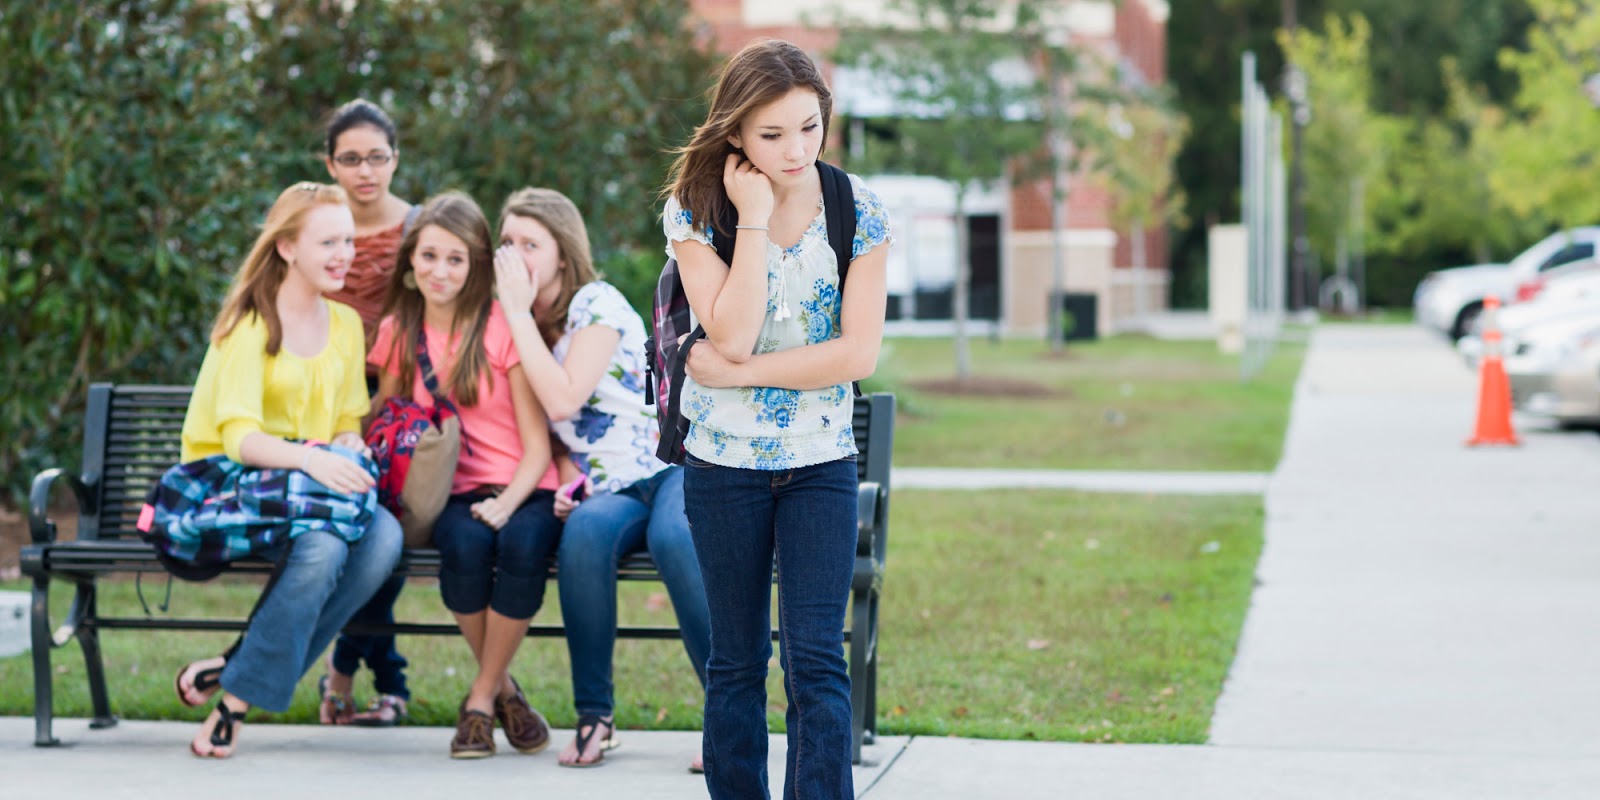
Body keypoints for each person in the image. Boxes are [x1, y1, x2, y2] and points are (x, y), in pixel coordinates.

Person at [660, 39, 892, 799]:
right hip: (722, 466)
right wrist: (754, 219)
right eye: (772, 134)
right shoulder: (696, 208)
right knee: (736, 662)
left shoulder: (858, 210)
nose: (796, 150)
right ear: (734, 132)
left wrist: (743, 375)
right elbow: (729, 331)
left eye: (809, 127)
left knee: (816, 661)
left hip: (820, 461)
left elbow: (856, 354)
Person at [172, 181, 404, 758]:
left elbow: (347, 419)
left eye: (348, 241)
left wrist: (347, 444)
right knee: (323, 546)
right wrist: (315, 458)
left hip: (308, 487)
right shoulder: (250, 323)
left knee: (385, 537)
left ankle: (234, 667)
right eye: (328, 243)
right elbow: (239, 440)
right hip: (232, 488)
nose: (344, 255)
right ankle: (235, 704)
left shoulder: (344, 324)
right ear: (287, 248)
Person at [492, 188, 711, 769]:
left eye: (531, 244)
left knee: (674, 537)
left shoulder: (597, 302)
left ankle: (728, 713)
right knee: (584, 535)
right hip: (611, 488)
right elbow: (554, 434)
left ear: (562, 252)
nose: (515, 255)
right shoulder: (524, 327)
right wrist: (570, 479)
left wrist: (516, 314)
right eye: (507, 243)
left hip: (672, 464)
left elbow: (564, 399)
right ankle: (595, 717)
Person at [369, 191, 559, 759]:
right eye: (429, 256)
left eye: (456, 259)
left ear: (476, 264)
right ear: (411, 259)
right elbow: (387, 414)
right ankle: (506, 692)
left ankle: (479, 700)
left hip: (525, 484)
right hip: (450, 489)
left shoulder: (501, 325)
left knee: (523, 547)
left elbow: (537, 447)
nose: (440, 271)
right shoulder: (400, 330)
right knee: (464, 548)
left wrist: (507, 502)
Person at [318, 98, 416, 727]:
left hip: (399, 403)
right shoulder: (317, 225)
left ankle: (345, 672)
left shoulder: (417, 227)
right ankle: (385, 679)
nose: (365, 171)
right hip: (325, 405)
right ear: (330, 164)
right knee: (355, 534)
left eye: (376, 157)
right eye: (350, 159)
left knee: (383, 534)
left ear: (395, 160)